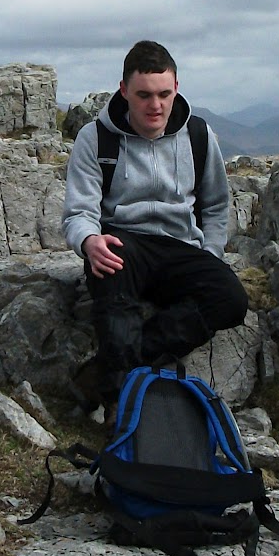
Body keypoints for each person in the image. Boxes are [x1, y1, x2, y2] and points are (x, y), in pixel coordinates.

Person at [63, 41, 247, 409]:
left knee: (231, 299)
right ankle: (121, 410)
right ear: (124, 91)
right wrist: (89, 241)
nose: (156, 105)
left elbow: (215, 206)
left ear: (176, 87)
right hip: (125, 246)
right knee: (113, 269)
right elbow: (79, 211)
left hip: (182, 248)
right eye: (144, 95)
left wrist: (210, 255)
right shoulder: (95, 138)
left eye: (164, 93)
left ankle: (110, 370)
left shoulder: (198, 135)